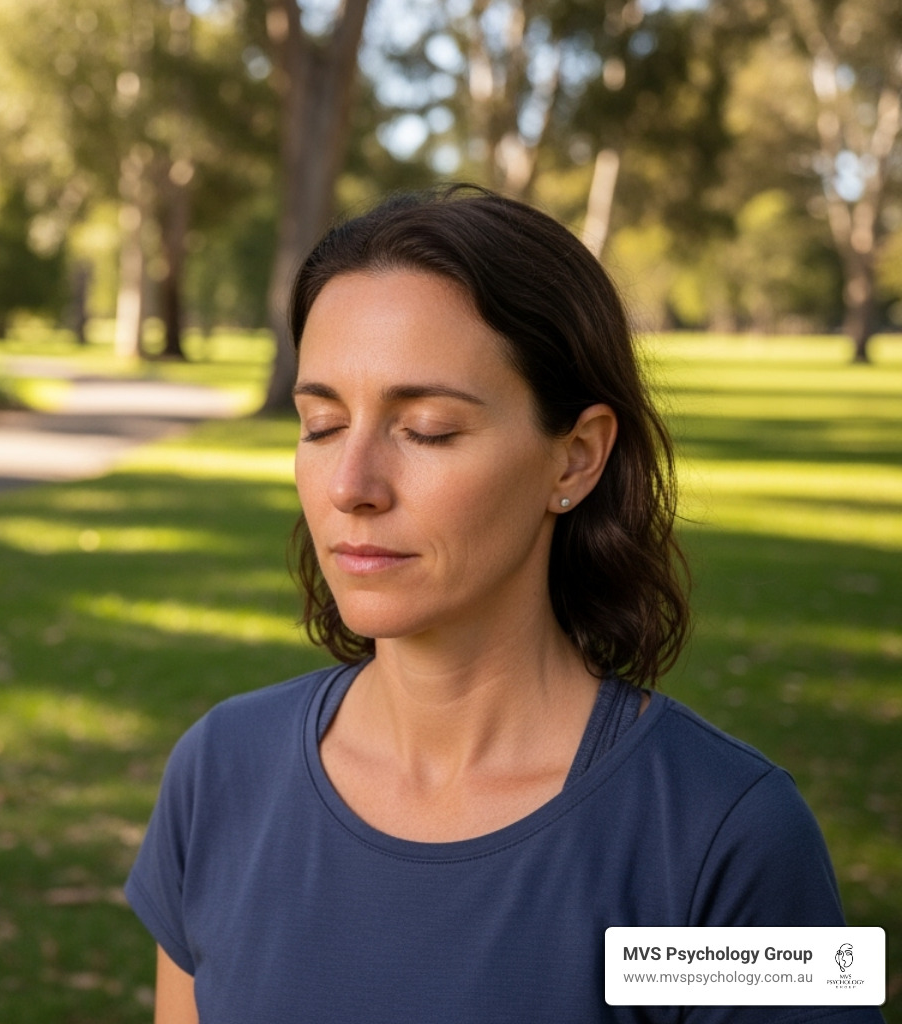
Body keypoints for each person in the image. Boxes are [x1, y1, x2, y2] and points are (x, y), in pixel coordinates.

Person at [124, 186, 880, 1023]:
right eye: (322, 423)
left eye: (429, 430)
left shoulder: (727, 835)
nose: (351, 486)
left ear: (576, 460)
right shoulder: (221, 774)